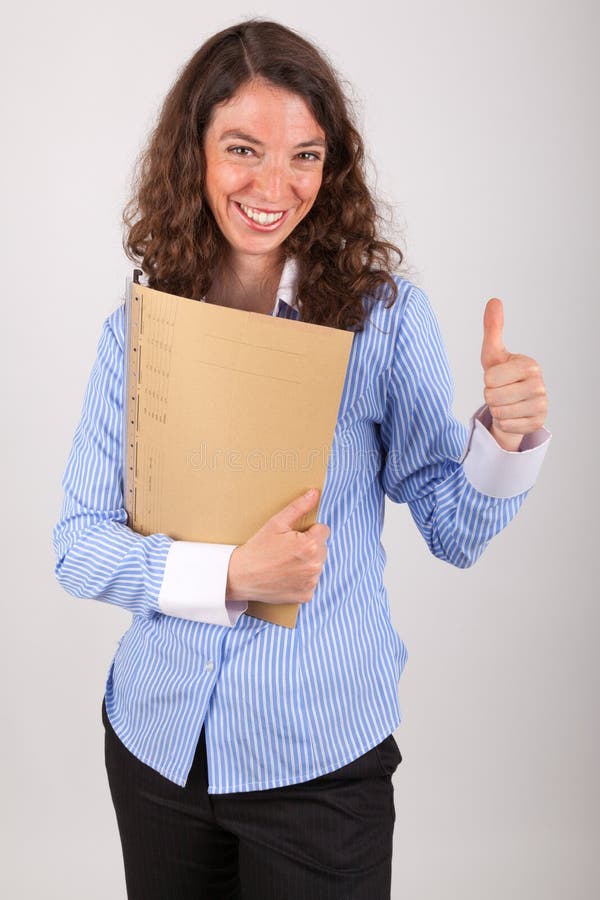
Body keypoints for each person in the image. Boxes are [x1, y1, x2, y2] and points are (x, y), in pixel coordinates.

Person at [52, 18, 551, 900]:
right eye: (242, 148)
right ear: (193, 155)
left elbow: (451, 526)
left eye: (305, 157)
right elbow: (79, 544)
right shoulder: (138, 330)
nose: (273, 185)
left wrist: (502, 444)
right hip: (157, 744)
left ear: (333, 167)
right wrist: (230, 574)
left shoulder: (383, 319)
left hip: (318, 761)